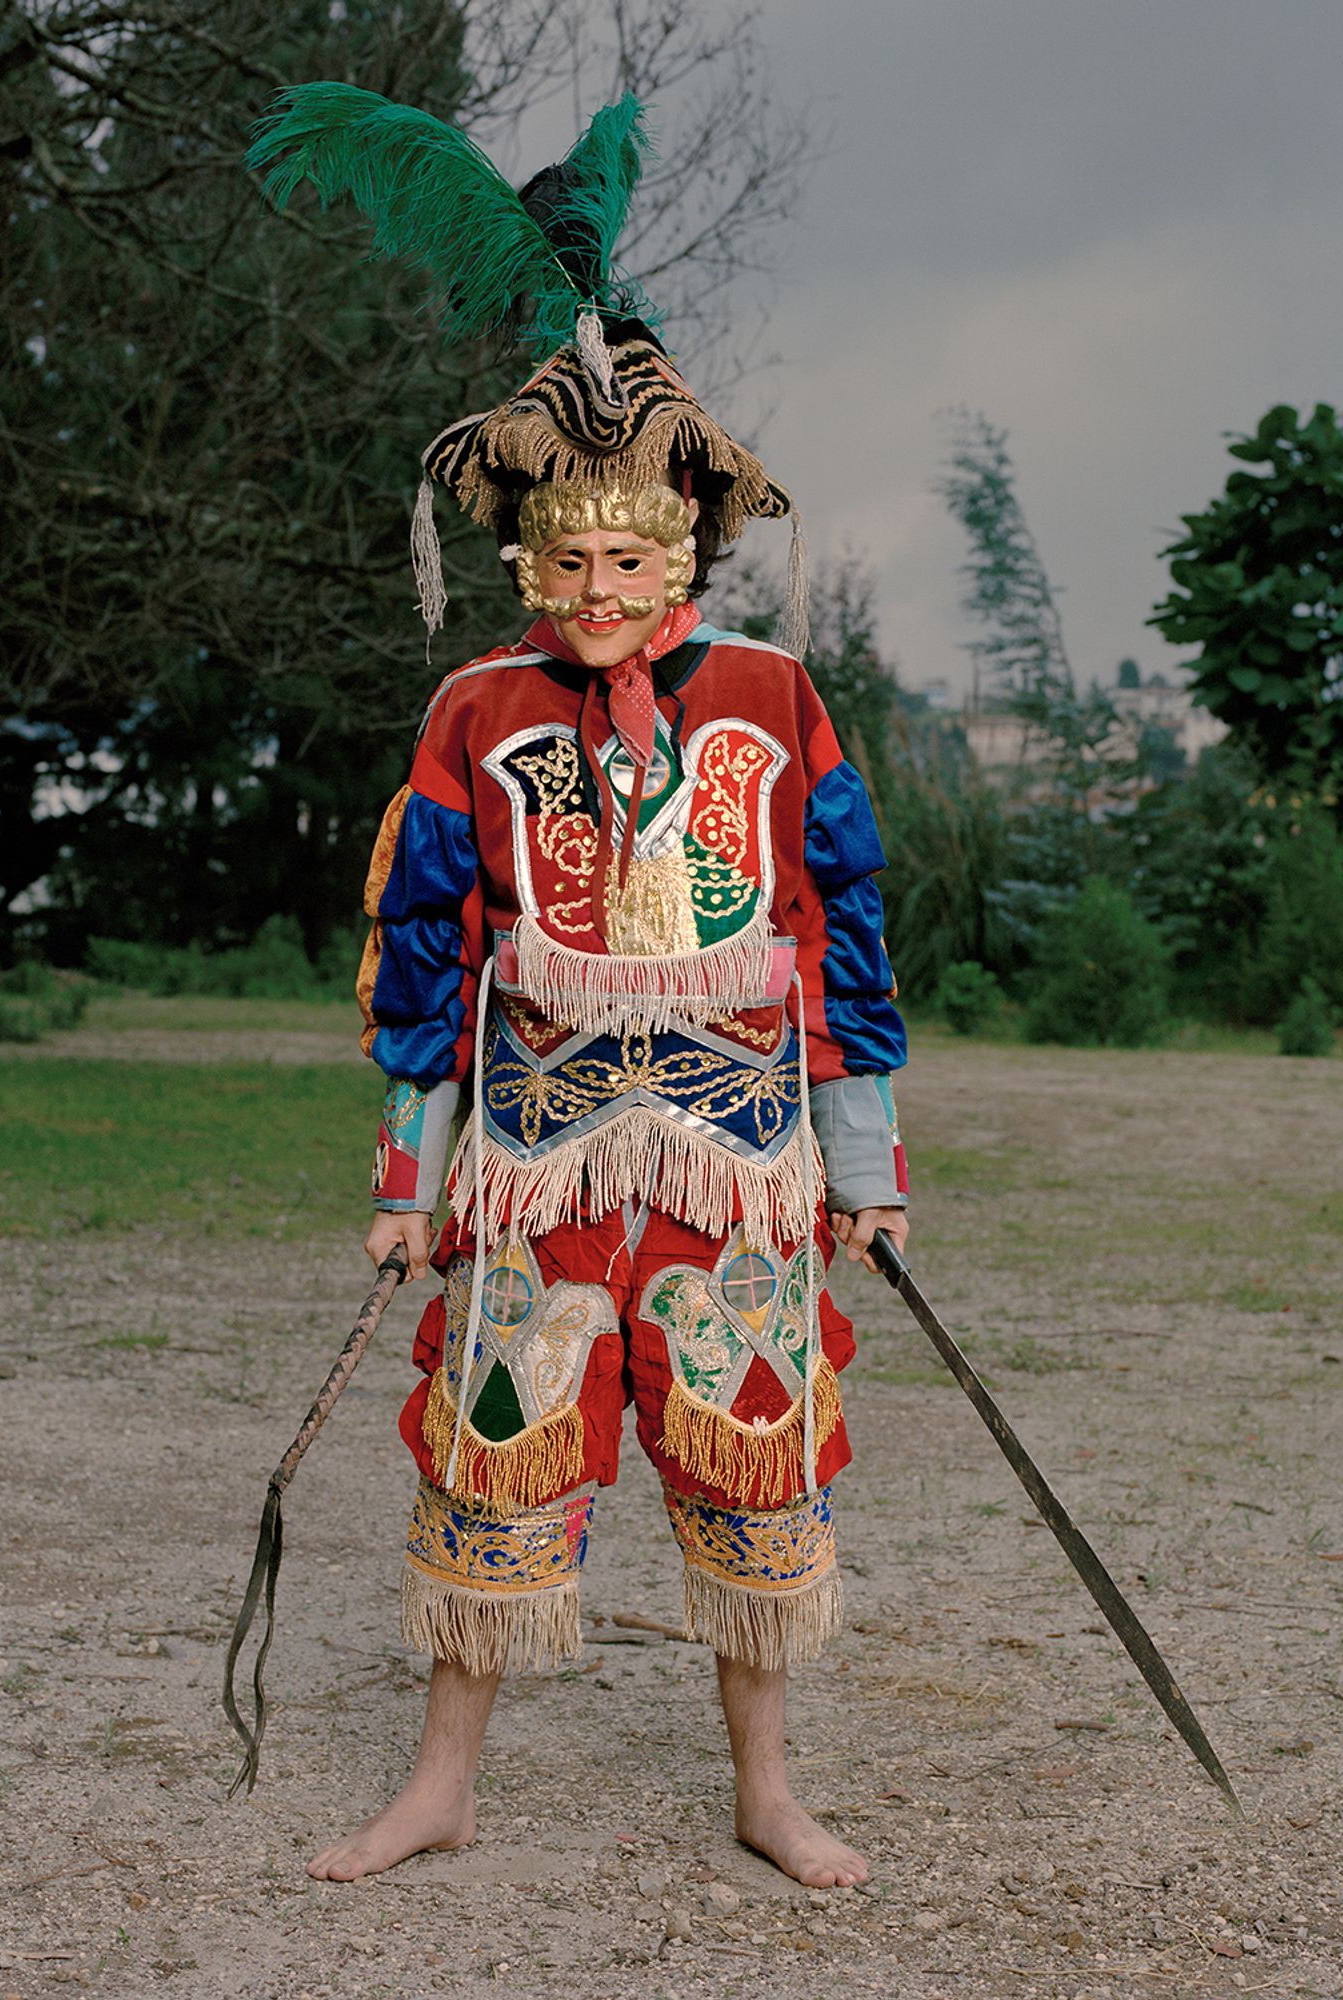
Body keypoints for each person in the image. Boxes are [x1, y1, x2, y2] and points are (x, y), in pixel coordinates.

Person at [247, 87, 909, 1890]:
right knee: (494, 1453)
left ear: (688, 542)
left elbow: (837, 927)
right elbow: (425, 961)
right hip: (533, 1158)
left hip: (734, 1158)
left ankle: (770, 1790)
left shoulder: (775, 699)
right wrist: (408, 1183)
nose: (602, 589)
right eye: (569, 562)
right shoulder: (477, 712)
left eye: (633, 559)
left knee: (754, 1455)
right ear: (525, 554)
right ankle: (439, 1779)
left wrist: (864, 1164)